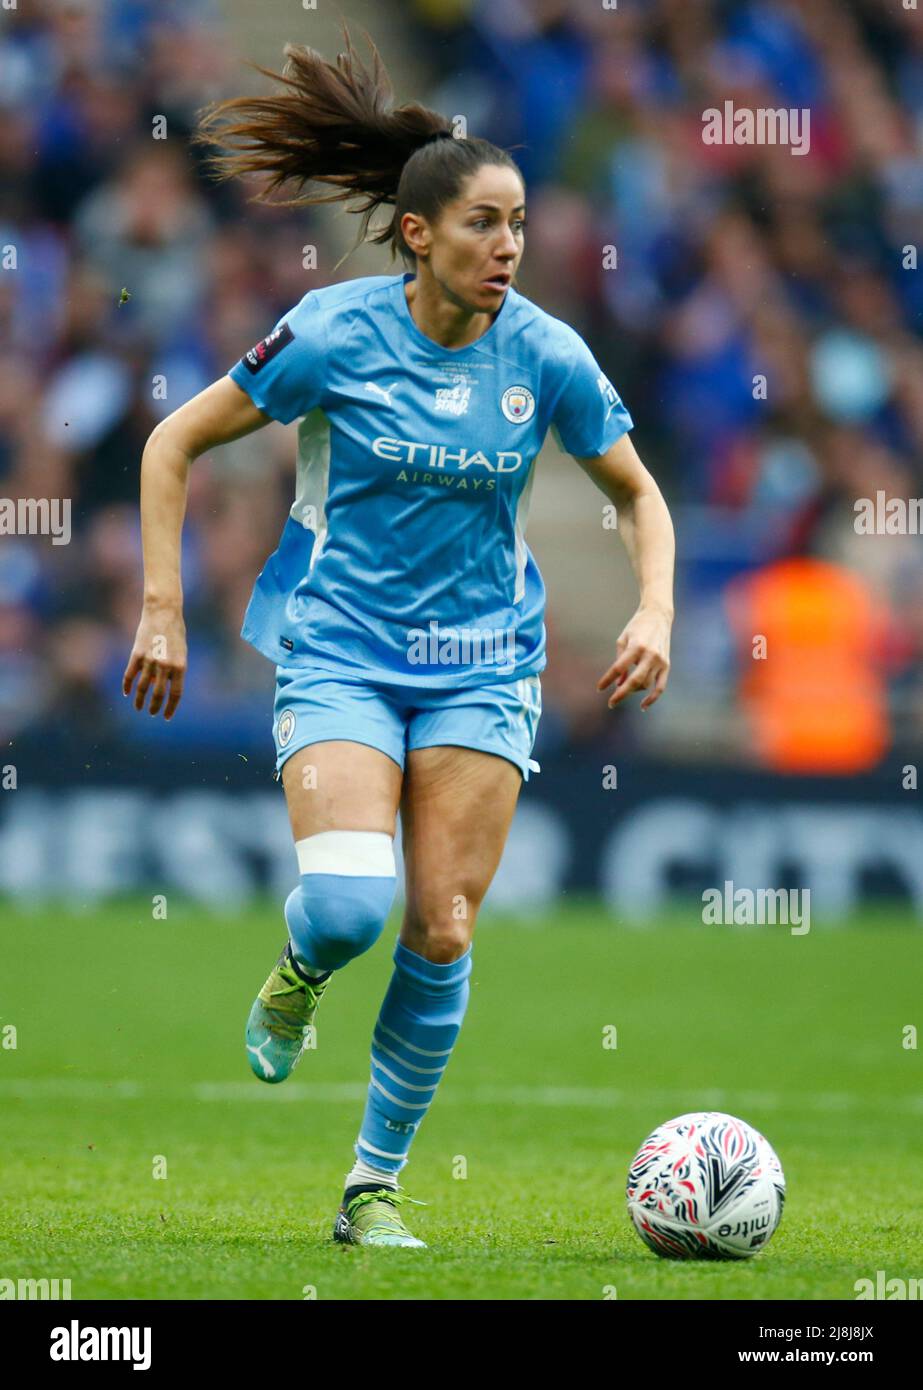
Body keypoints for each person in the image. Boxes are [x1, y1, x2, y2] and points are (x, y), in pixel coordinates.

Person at [122, 29, 675, 1249]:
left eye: (519, 222)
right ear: (419, 234)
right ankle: (299, 971)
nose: (510, 247)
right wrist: (162, 607)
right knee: (346, 908)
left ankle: (370, 1187)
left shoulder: (547, 354)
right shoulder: (331, 332)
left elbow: (638, 493)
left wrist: (652, 606)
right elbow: (172, 443)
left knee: (443, 924)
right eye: (484, 224)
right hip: (342, 652)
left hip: (484, 666)